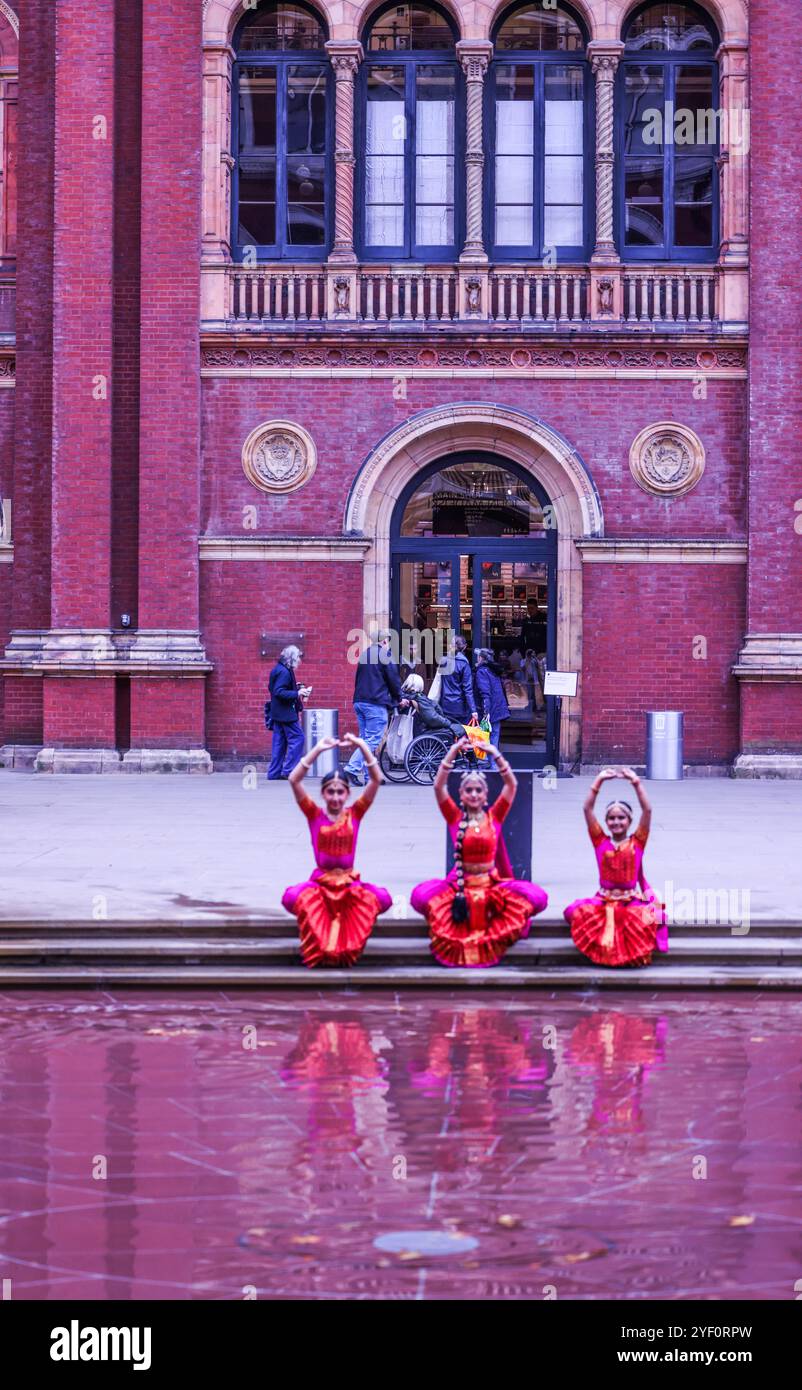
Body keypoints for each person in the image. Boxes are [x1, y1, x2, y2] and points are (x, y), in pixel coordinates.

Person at [411, 737, 547, 968]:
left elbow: (511, 785)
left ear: (485, 795)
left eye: (478, 790)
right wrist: (453, 750)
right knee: (420, 897)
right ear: (461, 795)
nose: (473, 794)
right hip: (460, 883)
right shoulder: (454, 817)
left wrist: (495, 752)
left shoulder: (495, 817)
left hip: (490, 883)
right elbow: (438, 786)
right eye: (469, 790)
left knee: (537, 897)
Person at [282, 733, 392, 967]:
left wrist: (363, 746)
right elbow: (294, 780)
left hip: (350, 883)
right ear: (323, 794)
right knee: (291, 897)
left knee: (383, 898)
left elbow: (375, 780)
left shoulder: (355, 813)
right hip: (321, 884)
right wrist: (318, 750)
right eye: (330, 791)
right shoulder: (314, 814)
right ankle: (326, 947)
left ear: (347, 794)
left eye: (340, 791)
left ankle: (344, 945)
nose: (335, 796)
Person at [564, 766, 668, 968]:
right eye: (612, 818)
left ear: (629, 821)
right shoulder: (600, 842)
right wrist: (599, 781)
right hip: (604, 900)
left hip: (630, 901)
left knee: (656, 916)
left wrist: (636, 783)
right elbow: (587, 810)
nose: (616, 822)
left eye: (621, 818)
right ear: (606, 822)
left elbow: (647, 810)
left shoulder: (637, 842)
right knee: (573, 912)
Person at [343, 630, 407, 787]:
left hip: (360, 701)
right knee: (372, 740)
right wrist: (399, 698)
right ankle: (351, 769)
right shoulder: (384, 655)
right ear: (384, 641)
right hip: (375, 703)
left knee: (365, 740)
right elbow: (393, 679)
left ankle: (369, 777)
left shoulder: (365, 654)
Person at [266, 644, 311, 781]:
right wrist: (297, 693)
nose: (299, 660)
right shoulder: (285, 672)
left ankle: (274, 773)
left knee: (279, 742)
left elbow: (272, 688)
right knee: (298, 738)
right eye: (297, 657)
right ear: (291, 658)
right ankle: (289, 771)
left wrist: (295, 688)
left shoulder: (278, 669)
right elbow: (279, 691)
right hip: (286, 713)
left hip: (277, 711)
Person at [400, 673, 472, 746]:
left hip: (416, 729)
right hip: (426, 729)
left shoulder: (404, 697)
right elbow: (432, 717)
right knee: (461, 729)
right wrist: (448, 723)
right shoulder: (419, 699)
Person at [474, 647, 510, 766]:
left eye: (478, 656)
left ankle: (490, 767)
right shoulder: (494, 670)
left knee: (485, 738)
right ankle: (493, 767)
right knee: (494, 738)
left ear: (481, 658)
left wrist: (486, 711)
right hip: (498, 709)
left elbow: (485, 693)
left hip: (490, 710)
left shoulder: (482, 672)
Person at [437, 634, 477, 725]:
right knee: (460, 734)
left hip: (445, 704)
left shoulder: (443, 661)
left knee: (447, 732)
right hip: (459, 706)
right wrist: (473, 710)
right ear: (464, 647)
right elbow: (468, 689)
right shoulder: (464, 664)